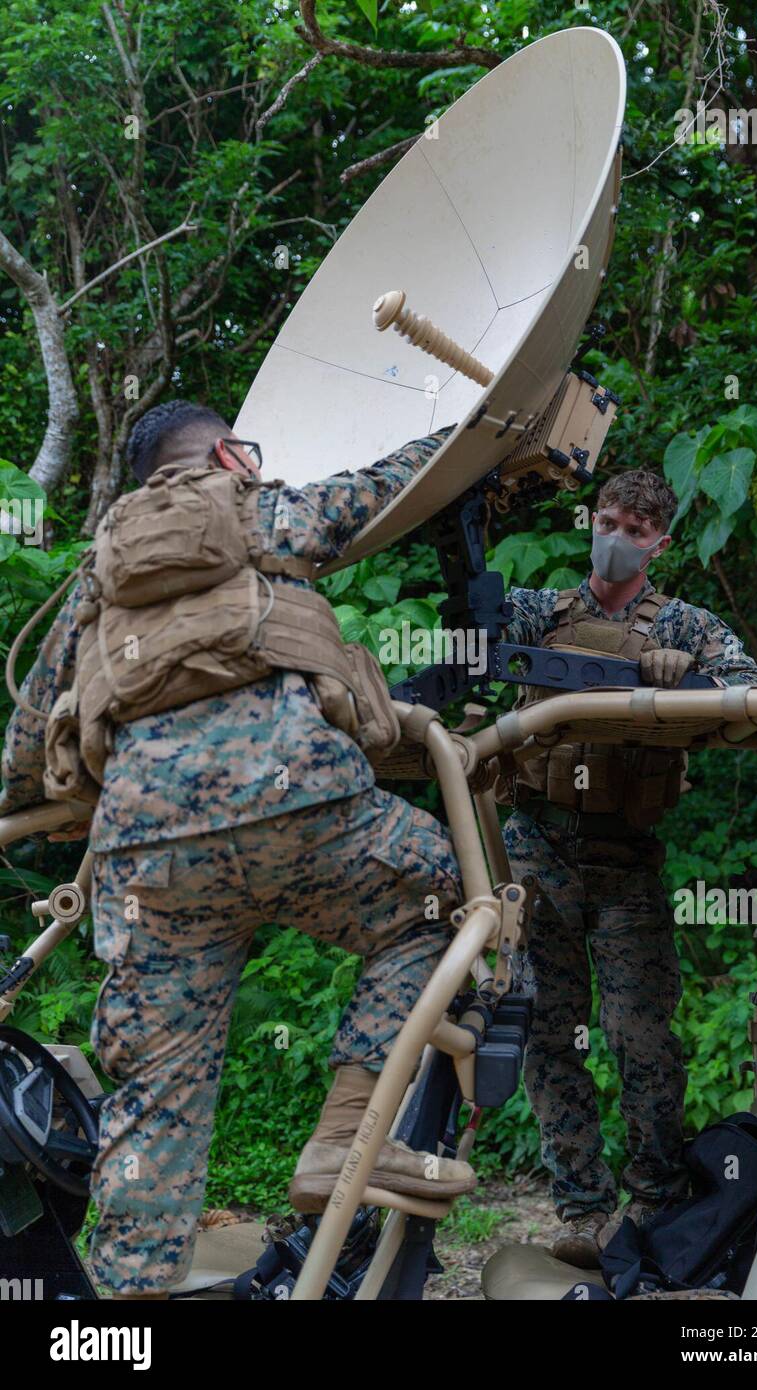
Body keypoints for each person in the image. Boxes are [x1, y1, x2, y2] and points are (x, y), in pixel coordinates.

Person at [0, 399, 474, 1299]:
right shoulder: (266, 510)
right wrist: (479, 422)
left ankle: (124, 1316)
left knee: (156, 1095)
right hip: (308, 811)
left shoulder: (97, 574)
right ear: (227, 454)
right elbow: (395, 482)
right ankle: (342, 1140)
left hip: (150, 860)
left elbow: (28, 743)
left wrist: (35, 806)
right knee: (442, 898)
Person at [495, 468, 757, 1268]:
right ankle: (582, 1210)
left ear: (660, 542)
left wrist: (687, 677)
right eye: (606, 519)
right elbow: (469, 635)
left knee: (641, 1034)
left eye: (634, 529)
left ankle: (656, 1202)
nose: (614, 537)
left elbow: (751, 695)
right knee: (549, 1030)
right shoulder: (539, 610)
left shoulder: (684, 623)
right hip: (538, 846)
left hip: (626, 856)